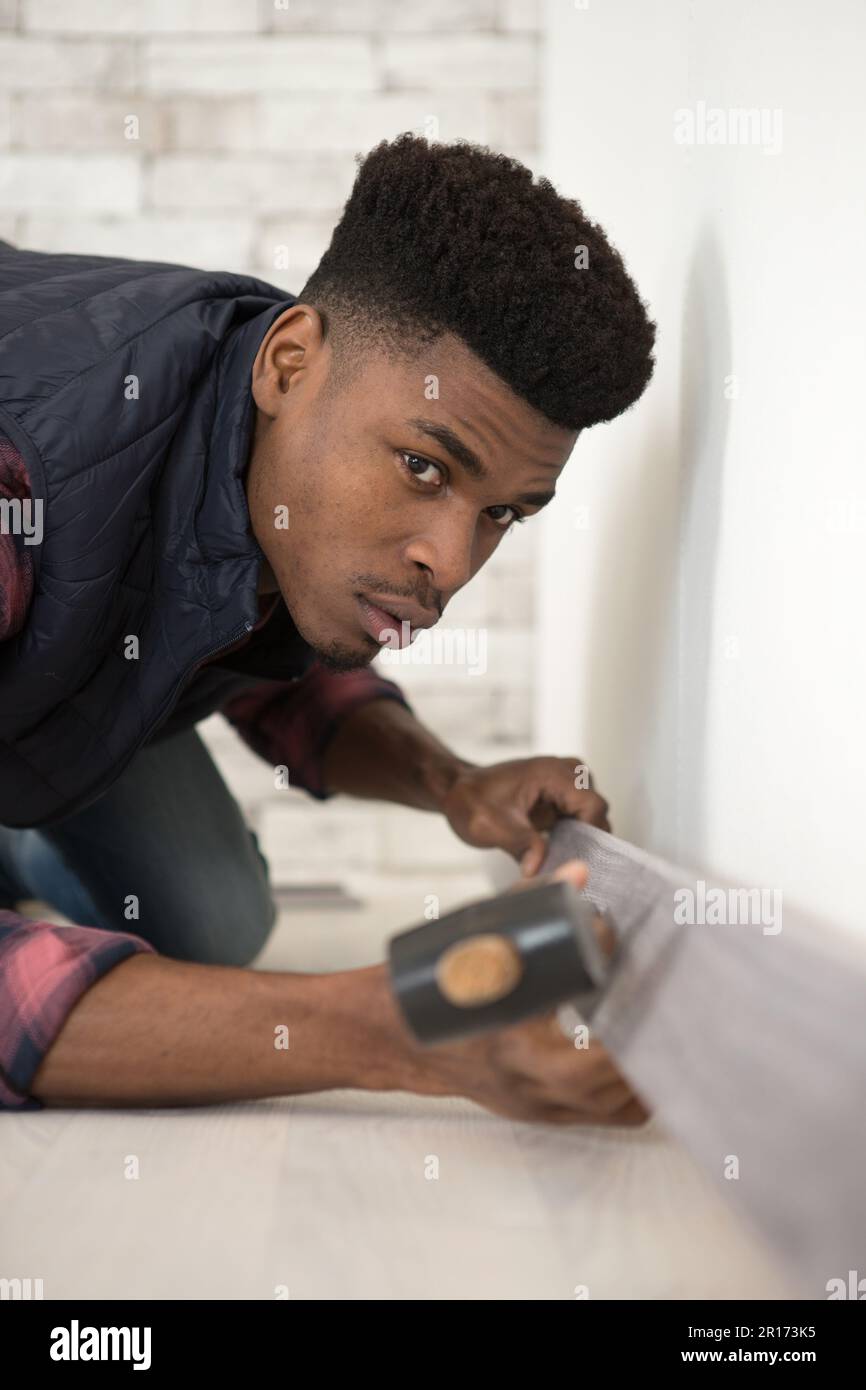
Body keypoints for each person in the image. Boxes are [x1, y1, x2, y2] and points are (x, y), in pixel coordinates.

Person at [0, 135, 654, 1122]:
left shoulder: (295, 415)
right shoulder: (26, 476)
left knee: (212, 920)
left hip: (44, 655)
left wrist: (451, 784)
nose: (449, 561)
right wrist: (383, 1028)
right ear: (288, 363)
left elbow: (270, 637)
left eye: (501, 513)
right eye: (425, 468)